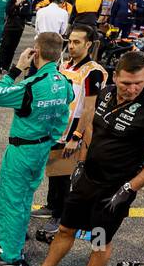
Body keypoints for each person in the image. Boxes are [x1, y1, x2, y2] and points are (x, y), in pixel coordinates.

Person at [13, 51, 144, 266]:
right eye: (126, 83)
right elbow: (91, 126)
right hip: (88, 178)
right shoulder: (107, 92)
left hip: (114, 190)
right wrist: (82, 162)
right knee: (65, 229)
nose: (132, 89)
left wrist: (129, 188)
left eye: (139, 83)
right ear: (116, 76)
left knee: (99, 240)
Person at [0, 33, 74, 266]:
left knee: (11, 200)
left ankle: (10, 256)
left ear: (36, 52)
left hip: (22, 149)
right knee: (24, 199)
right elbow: (68, 105)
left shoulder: (31, 86)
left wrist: (16, 68)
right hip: (43, 147)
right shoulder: (63, 83)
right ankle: (14, 243)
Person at [36, 23, 107, 242]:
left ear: (88, 44)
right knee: (53, 169)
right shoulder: (65, 64)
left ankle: (61, 216)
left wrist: (77, 136)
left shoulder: (92, 71)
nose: (72, 46)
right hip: (57, 127)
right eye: (70, 41)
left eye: (77, 42)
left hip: (74, 131)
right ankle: (51, 205)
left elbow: (89, 108)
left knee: (65, 176)